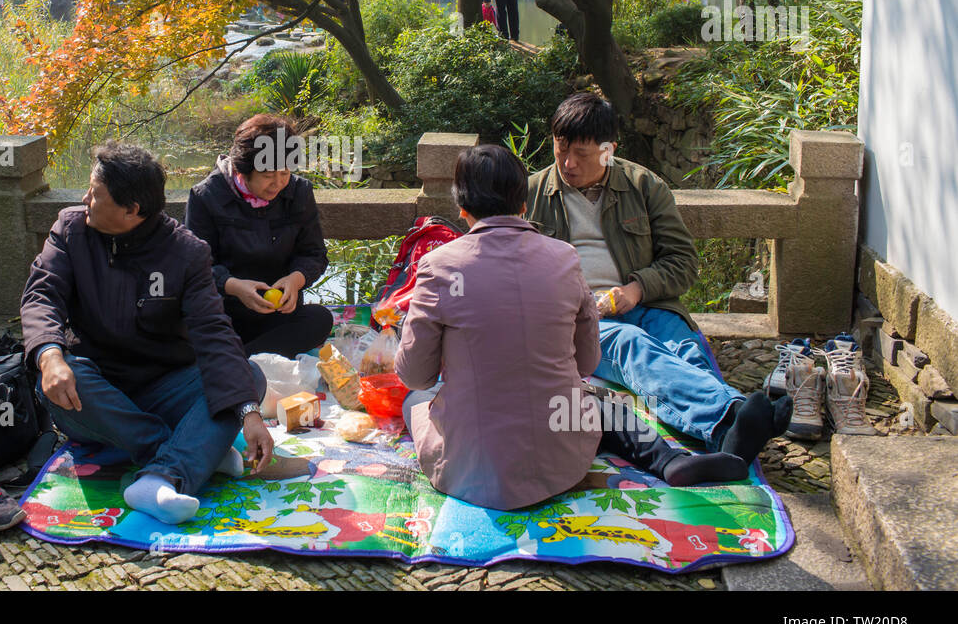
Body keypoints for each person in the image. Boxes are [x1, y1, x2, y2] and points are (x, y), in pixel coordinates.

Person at [394, 144, 749, 511]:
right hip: (560, 461)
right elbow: (585, 363)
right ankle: (670, 462)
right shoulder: (564, 258)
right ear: (523, 206)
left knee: (415, 398)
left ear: (462, 208)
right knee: (605, 406)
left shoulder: (439, 267)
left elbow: (416, 375)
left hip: (470, 467)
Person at [524, 92, 792, 463]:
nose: (567, 164)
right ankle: (731, 416)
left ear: (607, 151)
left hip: (648, 304)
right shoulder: (531, 194)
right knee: (630, 344)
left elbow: (683, 262)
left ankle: (729, 441)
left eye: (581, 155)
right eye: (560, 150)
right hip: (580, 317)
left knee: (686, 353)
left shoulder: (645, 186)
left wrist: (636, 289)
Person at [21, 142, 276, 525]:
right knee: (53, 382)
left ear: (131, 210)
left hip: (165, 384)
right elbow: (42, 294)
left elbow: (214, 334)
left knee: (248, 379)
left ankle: (161, 476)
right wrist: (50, 355)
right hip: (98, 390)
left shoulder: (186, 253)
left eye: (95, 193)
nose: (85, 198)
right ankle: (195, 451)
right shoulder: (70, 230)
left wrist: (250, 413)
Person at [186, 114, 334, 360]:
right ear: (243, 170)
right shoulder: (207, 196)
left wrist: (295, 281)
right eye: (267, 176)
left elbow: (313, 254)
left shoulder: (299, 193)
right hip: (225, 313)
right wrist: (233, 286)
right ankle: (247, 359)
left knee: (319, 319)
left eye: (284, 173)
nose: (277, 184)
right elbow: (195, 266)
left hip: (278, 315)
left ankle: (238, 361)